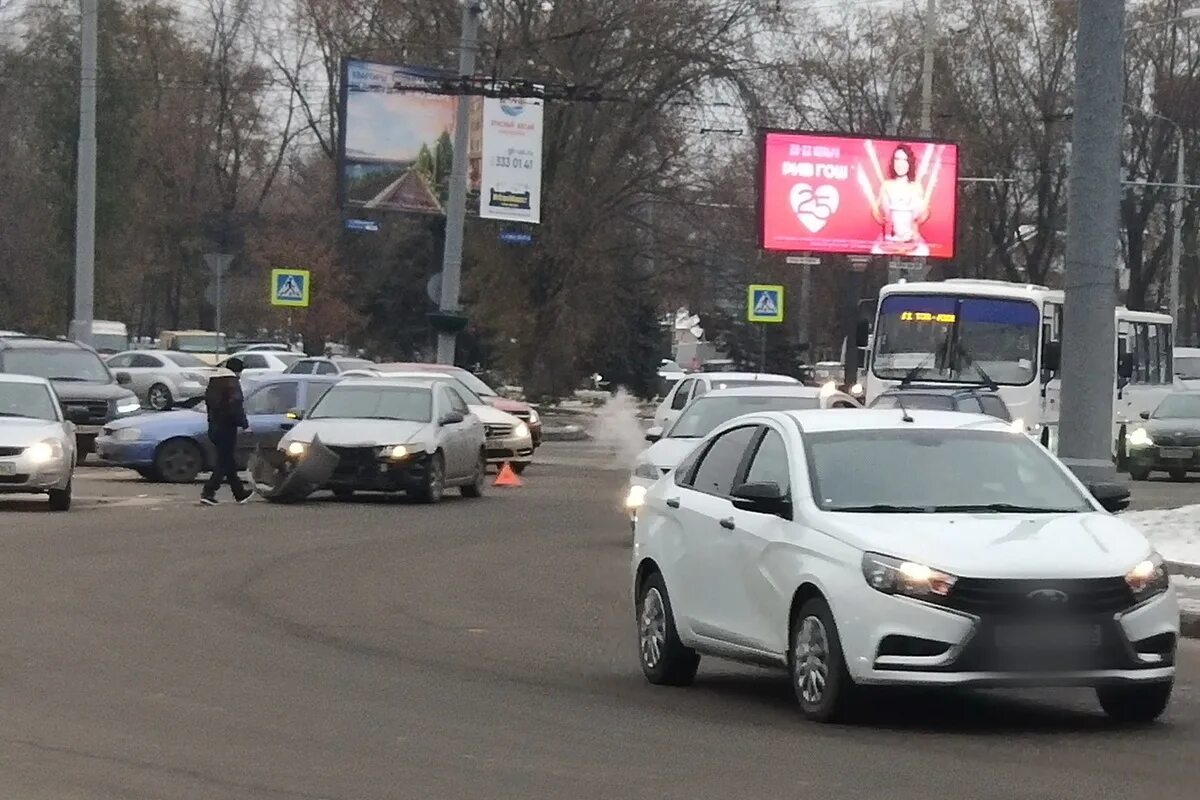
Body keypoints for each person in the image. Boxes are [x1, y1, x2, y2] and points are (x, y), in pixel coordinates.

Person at [201, 357, 251, 506]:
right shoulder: (231, 382)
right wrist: (244, 424)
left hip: (214, 426)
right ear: (237, 370)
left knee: (228, 461)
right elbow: (235, 405)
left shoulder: (214, 382)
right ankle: (208, 492)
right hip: (227, 427)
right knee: (224, 462)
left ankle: (239, 493)